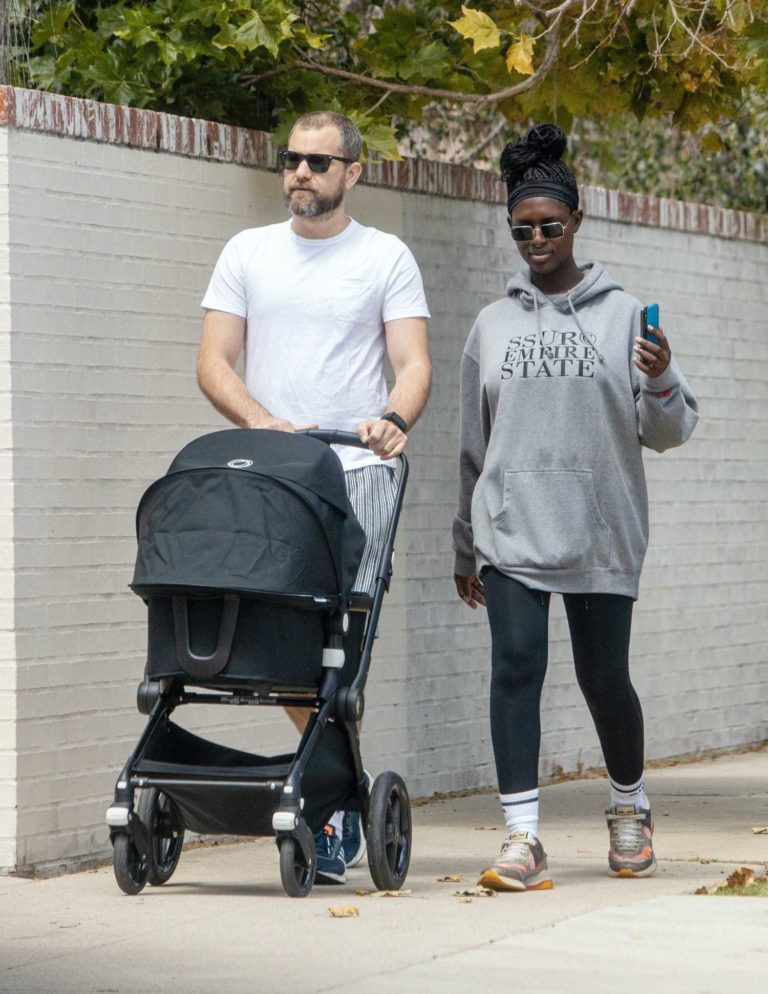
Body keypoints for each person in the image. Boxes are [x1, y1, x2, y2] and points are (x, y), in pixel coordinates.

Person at [453, 123, 699, 892]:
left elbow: (669, 430)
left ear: (577, 221)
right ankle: (522, 836)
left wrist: (658, 378)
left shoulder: (625, 315)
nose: (536, 240)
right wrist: (466, 545)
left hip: (599, 527)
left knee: (603, 679)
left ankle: (630, 804)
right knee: (515, 669)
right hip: (510, 529)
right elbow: (472, 444)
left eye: (549, 226)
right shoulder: (491, 326)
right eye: (522, 229)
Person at [197, 111, 431, 884]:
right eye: (292, 160)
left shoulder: (385, 257)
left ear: (352, 172)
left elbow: (413, 362)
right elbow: (214, 361)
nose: (300, 173)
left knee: (336, 658)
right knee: (275, 653)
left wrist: (394, 419)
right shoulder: (247, 252)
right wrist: (264, 422)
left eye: (318, 163)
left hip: (355, 482)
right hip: (270, 479)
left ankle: (329, 803)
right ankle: (337, 798)